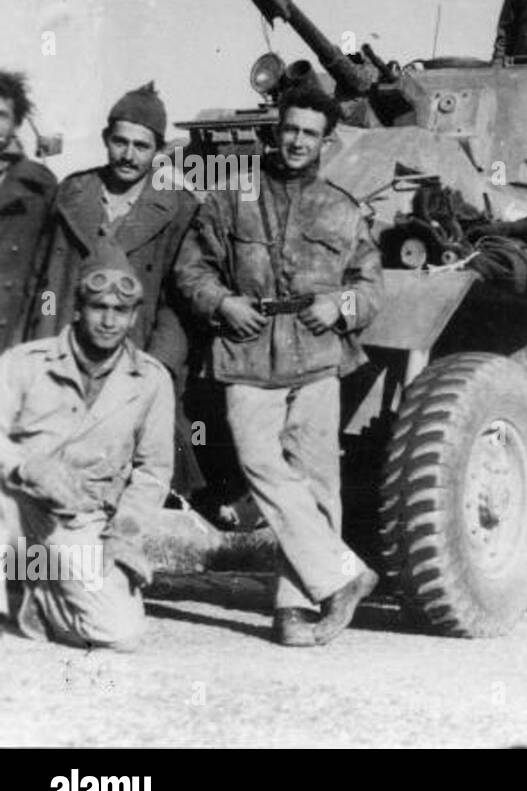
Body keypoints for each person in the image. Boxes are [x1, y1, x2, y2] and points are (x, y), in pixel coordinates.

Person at [175, 86, 384, 647]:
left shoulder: (341, 207)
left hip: (316, 354)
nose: (297, 141)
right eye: (290, 129)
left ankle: (296, 608)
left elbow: (369, 287)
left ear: (325, 140)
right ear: (276, 129)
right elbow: (192, 271)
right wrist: (223, 303)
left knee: (317, 480)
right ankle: (344, 574)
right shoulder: (230, 198)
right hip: (246, 350)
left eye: (309, 134)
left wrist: (336, 305)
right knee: (262, 466)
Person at [0, 249, 172, 649]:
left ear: (134, 317)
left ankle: (32, 592)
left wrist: (123, 536)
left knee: (120, 633)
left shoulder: (151, 380)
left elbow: (153, 471)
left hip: (78, 522)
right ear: (78, 308)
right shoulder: (25, 363)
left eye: (121, 310)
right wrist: (26, 467)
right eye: (98, 307)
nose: (109, 320)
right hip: (11, 503)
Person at [28, 83, 197, 379]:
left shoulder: (179, 208)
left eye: (141, 146)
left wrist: (156, 368)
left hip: (135, 361)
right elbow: (46, 282)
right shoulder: (72, 192)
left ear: (158, 150)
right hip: (64, 355)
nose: (128, 155)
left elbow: (179, 304)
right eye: (120, 142)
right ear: (106, 139)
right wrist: (42, 342)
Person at [0, 70, 58, 351]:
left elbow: (48, 272)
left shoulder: (39, 186)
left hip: (11, 335)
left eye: (1, 115)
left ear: (17, 122)